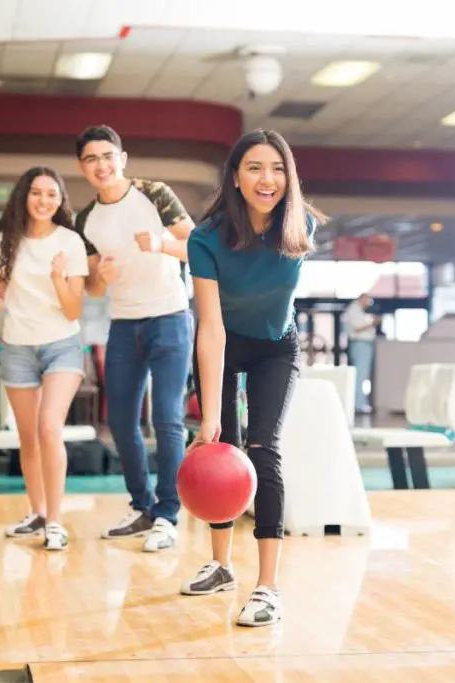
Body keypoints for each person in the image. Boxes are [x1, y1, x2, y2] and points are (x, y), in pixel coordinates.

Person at [183, 128, 326, 627]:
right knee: (222, 446)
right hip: (223, 341)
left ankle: (267, 586)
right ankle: (221, 564)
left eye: (277, 168)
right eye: (255, 168)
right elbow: (211, 327)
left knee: (264, 450)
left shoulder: (300, 225)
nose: (268, 179)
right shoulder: (204, 239)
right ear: (236, 178)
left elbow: (277, 301)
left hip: (275, 347)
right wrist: (212, 419)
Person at [73, 125, 195, 552]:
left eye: (108, 156)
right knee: (121, 422)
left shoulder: (154, 193)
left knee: (166, 418)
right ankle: (142, 505)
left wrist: (162, 243)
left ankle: (168, 514)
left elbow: (198, 245)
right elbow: (91, 287)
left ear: (122, 158)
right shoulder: (84, 219)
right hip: (124, 324)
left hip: (170, 317)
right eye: (91, 159)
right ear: (82, 167)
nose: (101, 166)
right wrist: (98, 279)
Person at [0, 167, 89, 552]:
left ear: (60, 200)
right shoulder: (4, 241)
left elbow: (73, 309)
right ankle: (38, 512)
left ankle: (57, 522)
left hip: (62, 345)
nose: (44, 201)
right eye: (36, 193)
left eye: (52, 194)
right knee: (28, 438)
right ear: (23, 197)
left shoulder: (70, 242)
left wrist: (60, 278)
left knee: (50, 429)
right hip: (17, 348)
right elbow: (0, 302)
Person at [343, 293, 380, 414]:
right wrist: (373, 322)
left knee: (362, 375)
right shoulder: (353, 310)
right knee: (360, 375)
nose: (368, 304)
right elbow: (357, 328)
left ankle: (360, 403)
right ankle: (358, 405)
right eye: (367, 301)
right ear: (362, 299)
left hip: (364, 344)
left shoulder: (359, 311)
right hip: (360, 344)